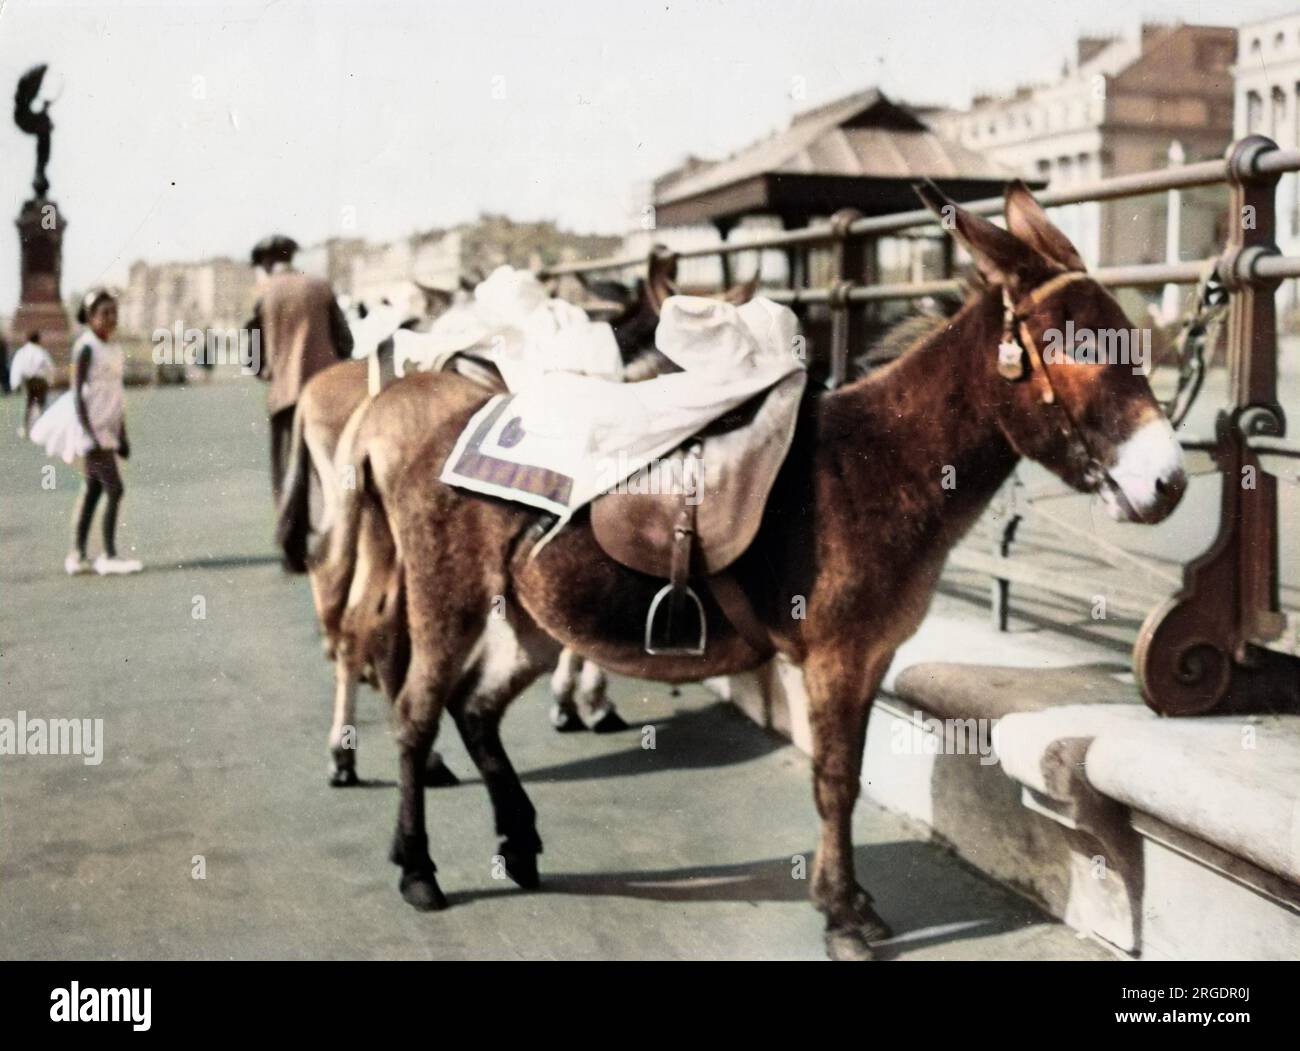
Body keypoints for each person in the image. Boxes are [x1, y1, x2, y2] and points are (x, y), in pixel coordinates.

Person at [30, 288, 143, 576]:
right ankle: (108, 555)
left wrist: (123, 434)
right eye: (104, 313)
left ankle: (77, 555)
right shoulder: (87, 347)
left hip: (107, 426)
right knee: (115, 489)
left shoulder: (114, 349)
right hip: (90, 427)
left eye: (114, 312)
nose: (110, 318)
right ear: (91, 318)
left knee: (94, 490)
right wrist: (87, 431)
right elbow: (77, 392)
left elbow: (117, 395)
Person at [247, 234, 352, 504]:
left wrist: (270, 372)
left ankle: (292, 531)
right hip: (327, 392)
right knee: (331, 467)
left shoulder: (262, 293)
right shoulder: (320, 286)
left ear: (267, 263)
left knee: (287, 472)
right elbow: (345, 342)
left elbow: (252, 356)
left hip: (285, 395)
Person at [9, 330, 55, 437]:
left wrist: (14, 383)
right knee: (41, 404)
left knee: (27, 405)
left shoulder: (22, 352)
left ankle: (25, 428)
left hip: (28, 381)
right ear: (38, 340)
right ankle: (42, 429)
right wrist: (50, 380)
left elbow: (17, 368)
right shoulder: (42, 352)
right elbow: (49, 367)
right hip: (40, 381)